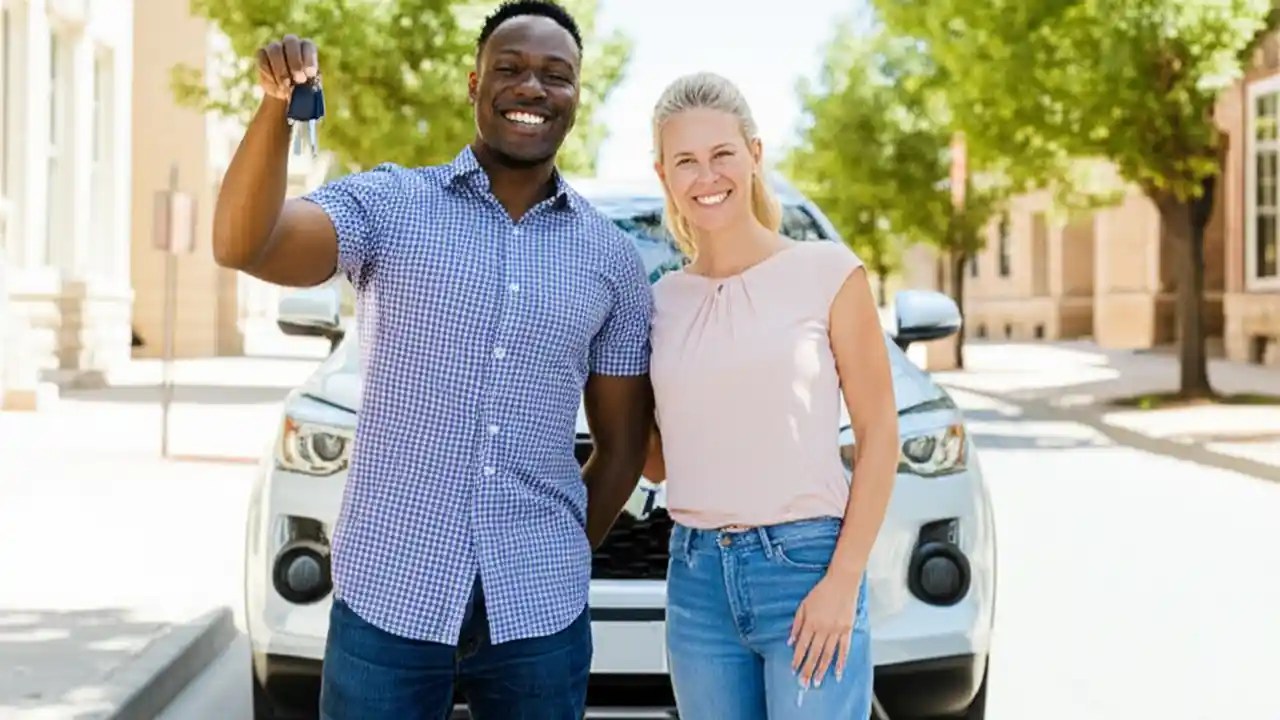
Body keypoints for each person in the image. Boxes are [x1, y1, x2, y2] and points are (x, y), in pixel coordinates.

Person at [211, 2, 654, 718]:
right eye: (510, 69)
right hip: (388, 598)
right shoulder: (391, 204)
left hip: (539, 615)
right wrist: (274, 110)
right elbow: (245, 244)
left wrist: (563, 552)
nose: (532, 87)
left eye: (556, 75)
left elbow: (624, 444)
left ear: (577, 96)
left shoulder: (613, 259)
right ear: (475, 84)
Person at [641, 71, 900, 719]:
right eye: (685, 161)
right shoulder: (662, 302)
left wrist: (843, 581)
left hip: (807, 567)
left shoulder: (827, 272)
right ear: (663, 174)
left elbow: (879, 435)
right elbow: (659, 462)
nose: (707, 176)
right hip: (697, 579)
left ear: (754, 155)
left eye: (722, 154)